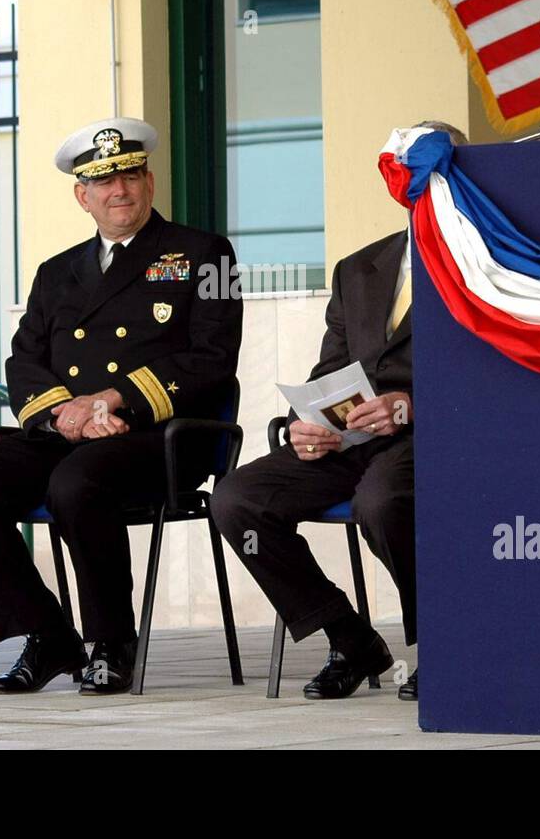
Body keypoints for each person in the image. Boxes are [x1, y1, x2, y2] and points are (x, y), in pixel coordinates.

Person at [0, 117, 242, 695]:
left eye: (128, 176)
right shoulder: (56, 272)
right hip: (66, 433)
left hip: (160, 436)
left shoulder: (206, 254)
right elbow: (23, 361)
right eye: (102, 182)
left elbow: (212, 360)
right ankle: (47, 635)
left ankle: (111, 642)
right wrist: (61, 414)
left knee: (76, 483)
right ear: (83, 196)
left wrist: (113, 399)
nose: (117, 191)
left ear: (149, 182)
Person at [209, 120, 466, 702]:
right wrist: (315, 423)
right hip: (353, 440)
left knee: (382, 500)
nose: (421, 185)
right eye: (407, 174)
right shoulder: (359, 268)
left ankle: (447, 644)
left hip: (436, 435)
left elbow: (504, 373)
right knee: (237, 499)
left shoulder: (490, 262)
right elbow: (333, 368)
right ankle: (350, 638)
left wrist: (411, 405)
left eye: (434, 170)